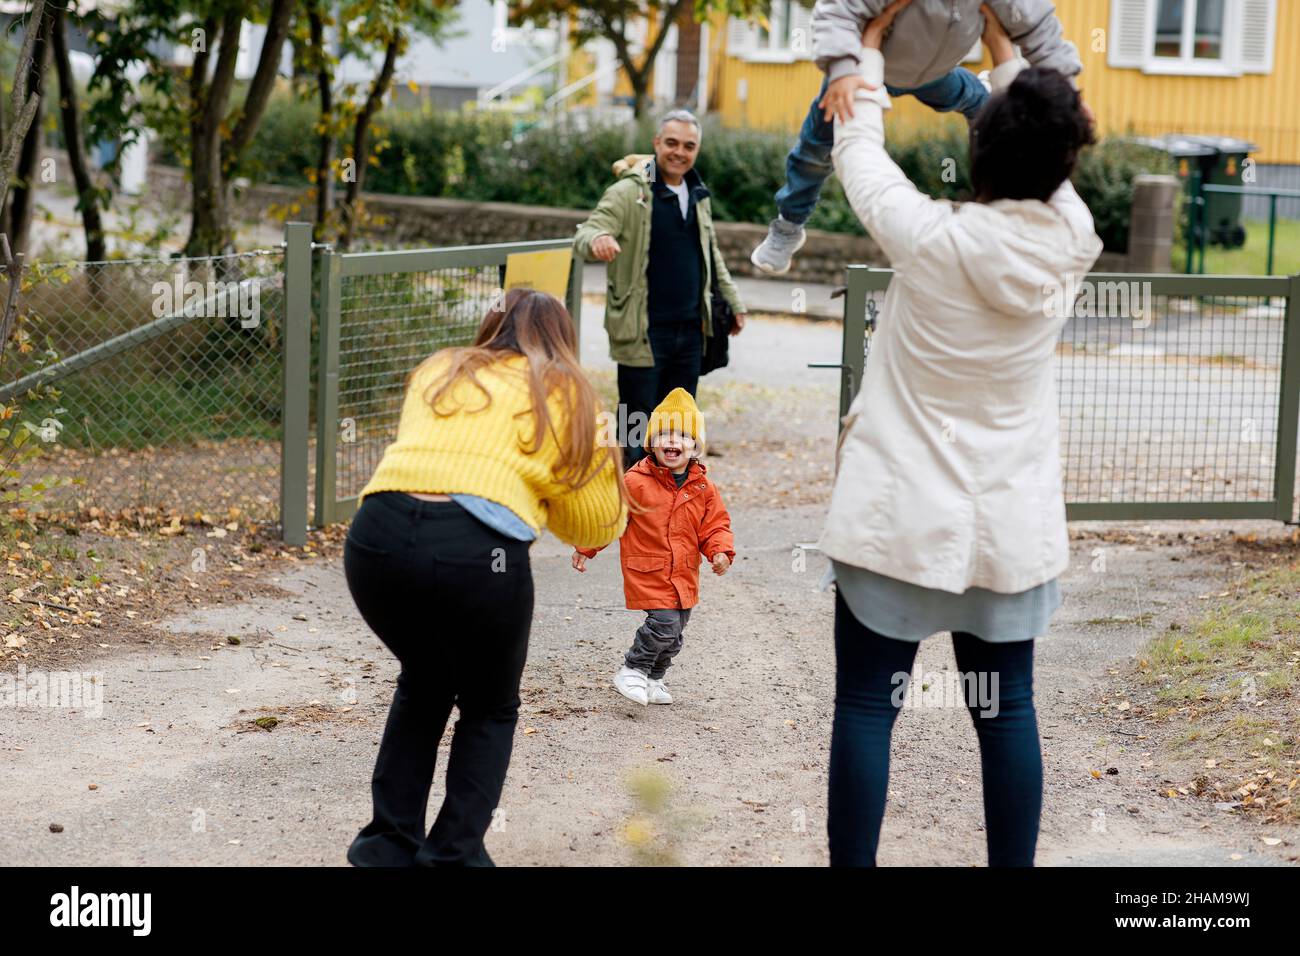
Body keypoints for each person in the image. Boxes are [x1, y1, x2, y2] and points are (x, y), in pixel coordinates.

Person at [818, 0, 1103, 866]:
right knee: (1008, 709)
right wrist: (1007, 52)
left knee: (869, 708)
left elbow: (859, 156)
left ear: (978, 147)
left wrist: (863, 56)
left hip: (896, 523)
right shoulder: (1074, 238)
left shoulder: (931, 241)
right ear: (1061, 164)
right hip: (1006, 528)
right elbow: (1042, 150)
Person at [343, 288, 628, 866]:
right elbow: (592, 522)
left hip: (377, 538)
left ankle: (386, 846)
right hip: (478, 554)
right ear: (562, 338)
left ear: (490, 323)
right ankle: (452, 856)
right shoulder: (569, 394)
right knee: (489, 704)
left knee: (425, 681)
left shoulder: (440, 369)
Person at [750, 0, 1083, 276]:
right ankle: (788, 226)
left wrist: (1068, 93)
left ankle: (980, 96)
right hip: (864, 70)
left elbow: (1041, 31)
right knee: (813, 153)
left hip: (935, 75)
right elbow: (837, 10)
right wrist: (842, 69)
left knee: (981, 103)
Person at [573, 109, 748, 467]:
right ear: (656, 144)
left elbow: (710, 250)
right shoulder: (629, 192)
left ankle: (669, 511)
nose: (679, 152)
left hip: (690, 331)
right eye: (671, 143)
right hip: (643, 331)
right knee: (635, 428)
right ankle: (628, 508)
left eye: (688, 145)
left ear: (696, 150)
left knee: (677, 429)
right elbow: (585, 233)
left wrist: (733, 300)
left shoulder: (698, 194)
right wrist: (600, 239)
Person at [571, 388, 734, 706]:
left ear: (695, 446)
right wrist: (586, 547)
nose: (673, 442)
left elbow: (714, 525)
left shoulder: (703, 487)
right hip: (648, 568)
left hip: (683, 572)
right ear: (651, 442)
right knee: (664, 623)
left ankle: (653, 678)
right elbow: (610, 517)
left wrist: (719, 551)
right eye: (665, 434)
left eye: (683, 435)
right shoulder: (635, 482)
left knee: (675, 635)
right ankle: (633, 669)